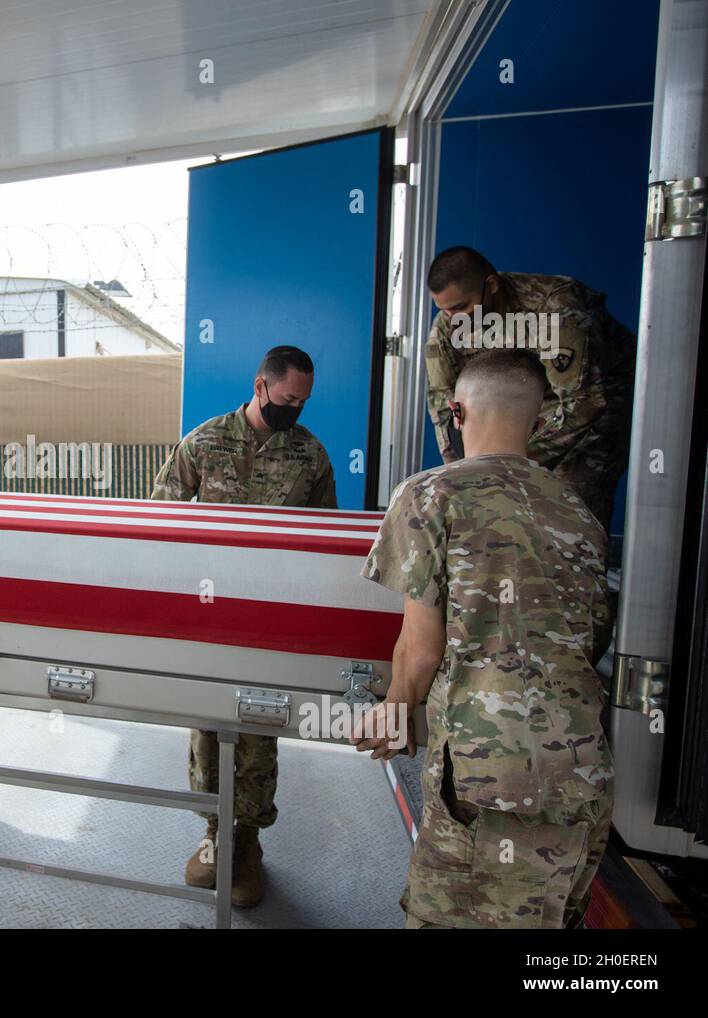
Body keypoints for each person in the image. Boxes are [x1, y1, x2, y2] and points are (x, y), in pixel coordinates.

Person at [354, 349, 613, 928]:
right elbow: (588, 641)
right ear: (541, 421)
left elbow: (420, 648)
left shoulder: (430, 495)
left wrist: (395, 714)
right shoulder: (580, 514)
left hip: (488, 778)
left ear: (454, 410)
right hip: (583, 773)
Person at [151, 345, 336, 906]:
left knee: (257, 725)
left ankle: (248, 844)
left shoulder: (310, 455)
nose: (294, 411)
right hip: (208, 616)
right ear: (260, 387)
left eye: (302, 402)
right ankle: (213, 835)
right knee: (207, 725)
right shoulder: (204, 442)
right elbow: (160, 518)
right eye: (286, 400)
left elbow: (325, 540)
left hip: (270, 620)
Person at [424, 245, 636, 530]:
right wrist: (461, 469)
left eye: (461, 306)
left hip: (596, 396)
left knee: (570, 501)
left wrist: (510, 463)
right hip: (528, 401)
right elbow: (445, 407)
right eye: (444, 309)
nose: (452, 318)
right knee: (488, 491)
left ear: (492, 285)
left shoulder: (555, 309)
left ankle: (578, 568)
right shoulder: (447, 325)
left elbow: (584, 403)